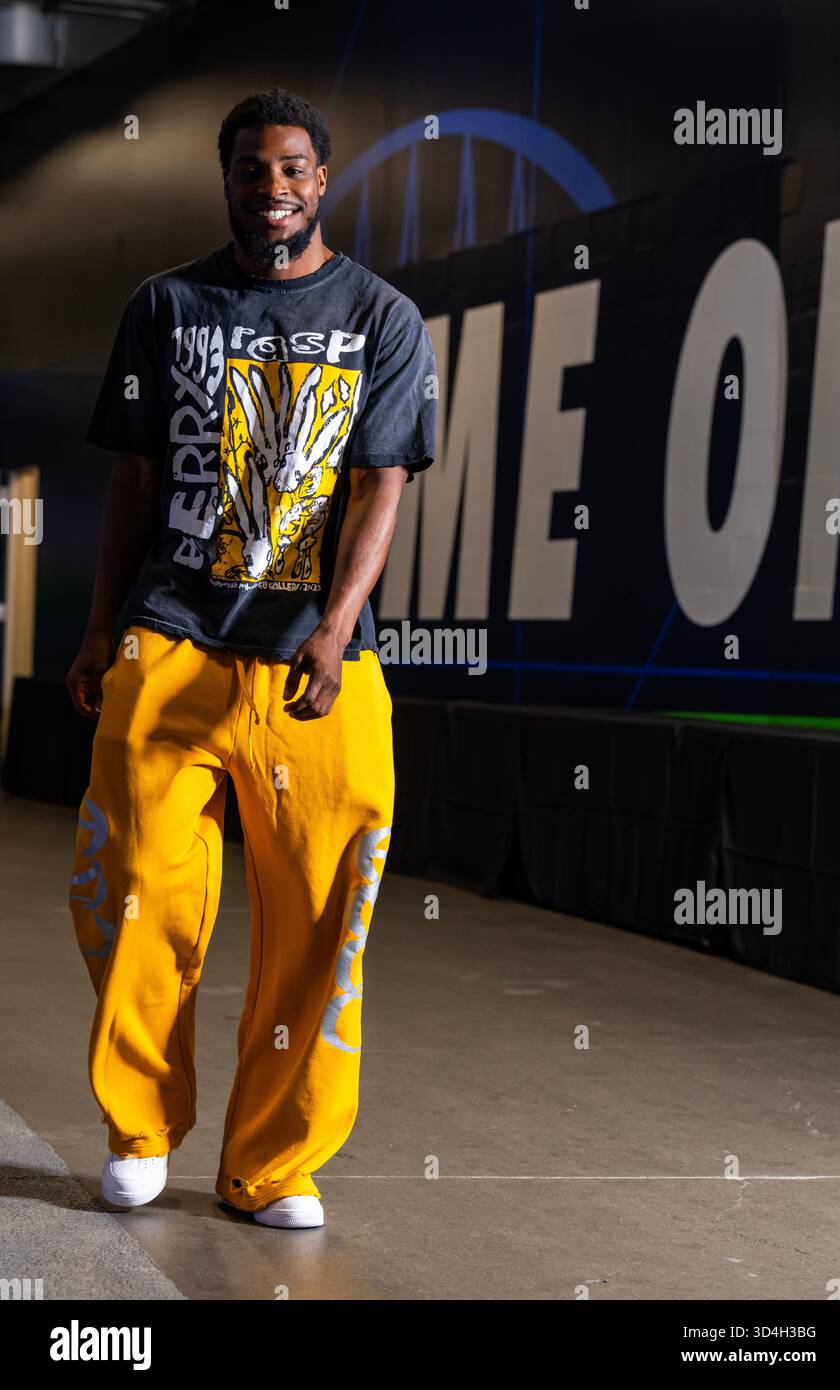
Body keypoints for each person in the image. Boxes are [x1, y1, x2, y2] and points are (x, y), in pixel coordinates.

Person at [66, 88, 437, 1230]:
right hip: (172, 639)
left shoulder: (382, 316)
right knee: (134, 891)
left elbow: (382, 482)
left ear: (320, 181)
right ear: (223, 179)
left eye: (289, 169)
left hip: (314, 666)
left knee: (324, 919)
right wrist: (97, 627)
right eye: (246, 168)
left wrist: (335, 627)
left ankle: (272, 1164)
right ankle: (138, 1129)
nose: (268, 186)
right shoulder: (164, 307)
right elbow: (131, 480)